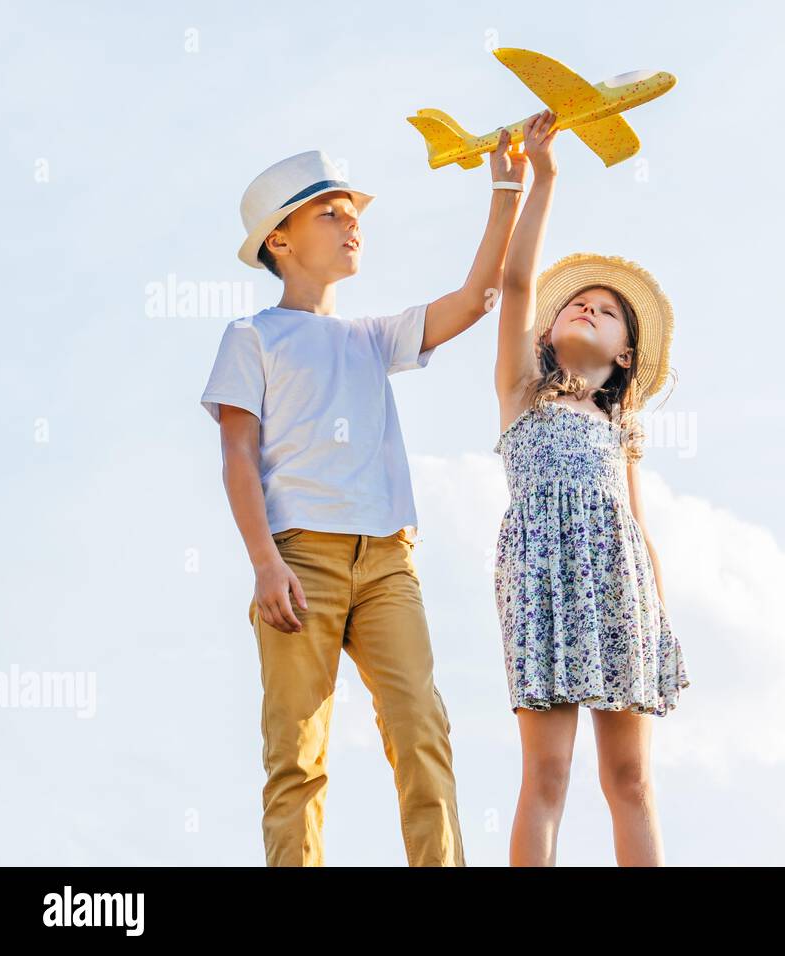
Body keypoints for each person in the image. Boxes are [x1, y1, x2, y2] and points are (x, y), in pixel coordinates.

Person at [199, 140, 526, 865]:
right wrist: (264, 564)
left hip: (387, 565)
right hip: (297, 563)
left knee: (421, 733)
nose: (353, 225)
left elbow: (476, 299)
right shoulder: (252, 337)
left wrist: (506, 189)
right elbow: (236, 456)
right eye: (330, 212)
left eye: (355, 214)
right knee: (297, 755)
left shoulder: (372, 338)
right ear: (278, 240)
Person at [491, 110, 691, 866]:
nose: (587, 308)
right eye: (578, 303)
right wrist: (536, 178)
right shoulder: (520, 391)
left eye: (606, 312)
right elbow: (514, 282)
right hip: (541, 578)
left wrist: (662, 619)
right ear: (548, 334)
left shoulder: (620, 433)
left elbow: (640, 529)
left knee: (631, 777)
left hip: (620, 588)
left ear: (625, 353)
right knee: (546, 772)